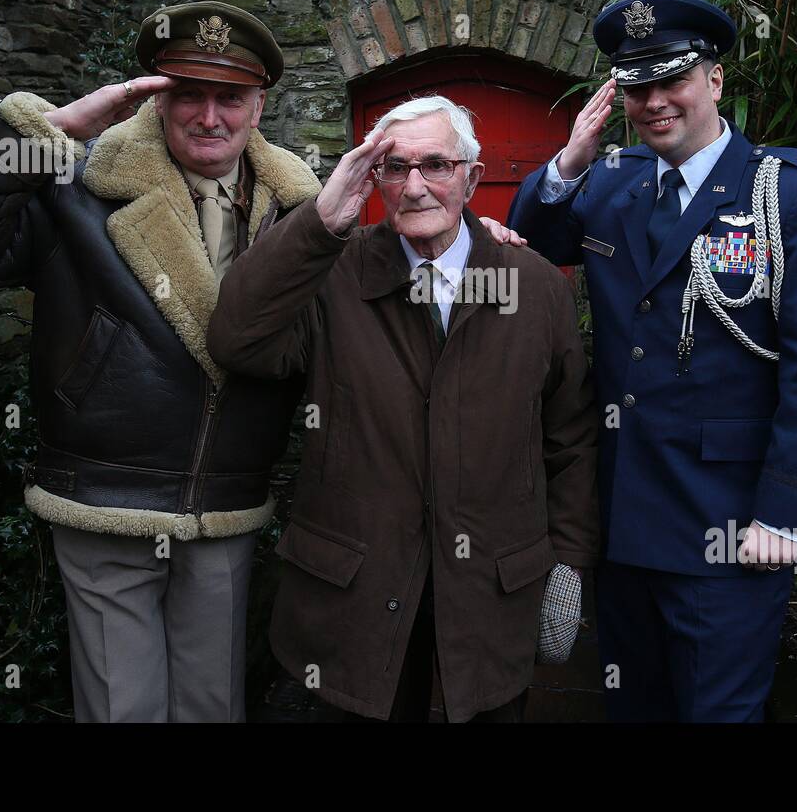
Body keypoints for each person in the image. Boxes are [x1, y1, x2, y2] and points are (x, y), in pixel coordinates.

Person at [0, 1, 321, 722]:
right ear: (156, 96)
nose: (209, 116)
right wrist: (47, 133)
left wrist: (479, 244)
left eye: (230, 97)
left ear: (259, 105)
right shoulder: (77, 187)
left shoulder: (298, 207)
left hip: (228, 502)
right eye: (189, 94)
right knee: (125, 710)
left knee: (213, 705)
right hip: (105, 501)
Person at [503, 0, 797, 721]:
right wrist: (570, 160)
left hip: (730, 524)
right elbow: (533, 246)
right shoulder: (611, 184)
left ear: (716, 81)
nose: (656, 102)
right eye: (638, 87)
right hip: (624, 513)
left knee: (718, 710)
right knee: (632, 706)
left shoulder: (790, 193)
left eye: (674, 80)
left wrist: (785, 516)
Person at [206, 95, 599, 722]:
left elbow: (571, 439)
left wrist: (570, 565)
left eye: (436, 166)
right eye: (395, 167)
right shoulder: (332, 273)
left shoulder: (535, 287)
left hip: (490, 597)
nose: (415, 187)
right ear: (372, 178)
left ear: (471, 179)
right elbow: (235, 338)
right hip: (352, 600)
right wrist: (322, 219)